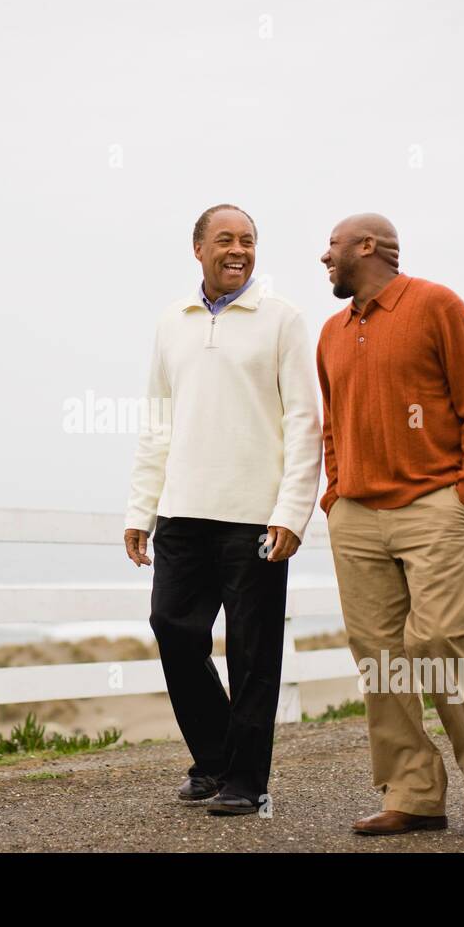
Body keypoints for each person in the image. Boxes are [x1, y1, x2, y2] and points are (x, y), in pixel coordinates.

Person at [315, 213, 464, 834]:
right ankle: (415, 794)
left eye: (333, 247)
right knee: (380, 656)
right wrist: (336, 491)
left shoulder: (435, 305)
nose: (325, 259)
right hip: (358, 515)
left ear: (366, 247)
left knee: (438, 641)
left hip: (434, 505)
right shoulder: (331, 332)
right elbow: (332, 420)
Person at [123, 204, 322, 816]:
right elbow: (157, 425)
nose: (239, 250)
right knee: (174, 630)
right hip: (182, 512)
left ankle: (245, 779)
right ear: (198, 248)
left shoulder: (283, 319)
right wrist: (142, 508)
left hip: (255, 517)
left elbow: (305, 420)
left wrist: (291, 512)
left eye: (249, 241)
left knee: (253, 651)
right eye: (226, 240)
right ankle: (213, 759)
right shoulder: (171, 323)